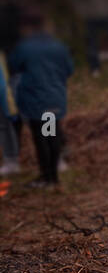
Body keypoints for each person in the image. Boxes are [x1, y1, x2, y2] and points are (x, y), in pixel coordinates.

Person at [8, 9, 74, 187]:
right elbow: (69, 69)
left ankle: (47, 177)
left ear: (27, 27)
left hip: (37, 100)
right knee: (51, 136)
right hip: (55, 97)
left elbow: (13, 66)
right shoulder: (57, 46)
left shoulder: (25, 47)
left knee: (42, 139)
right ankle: (53, 177)